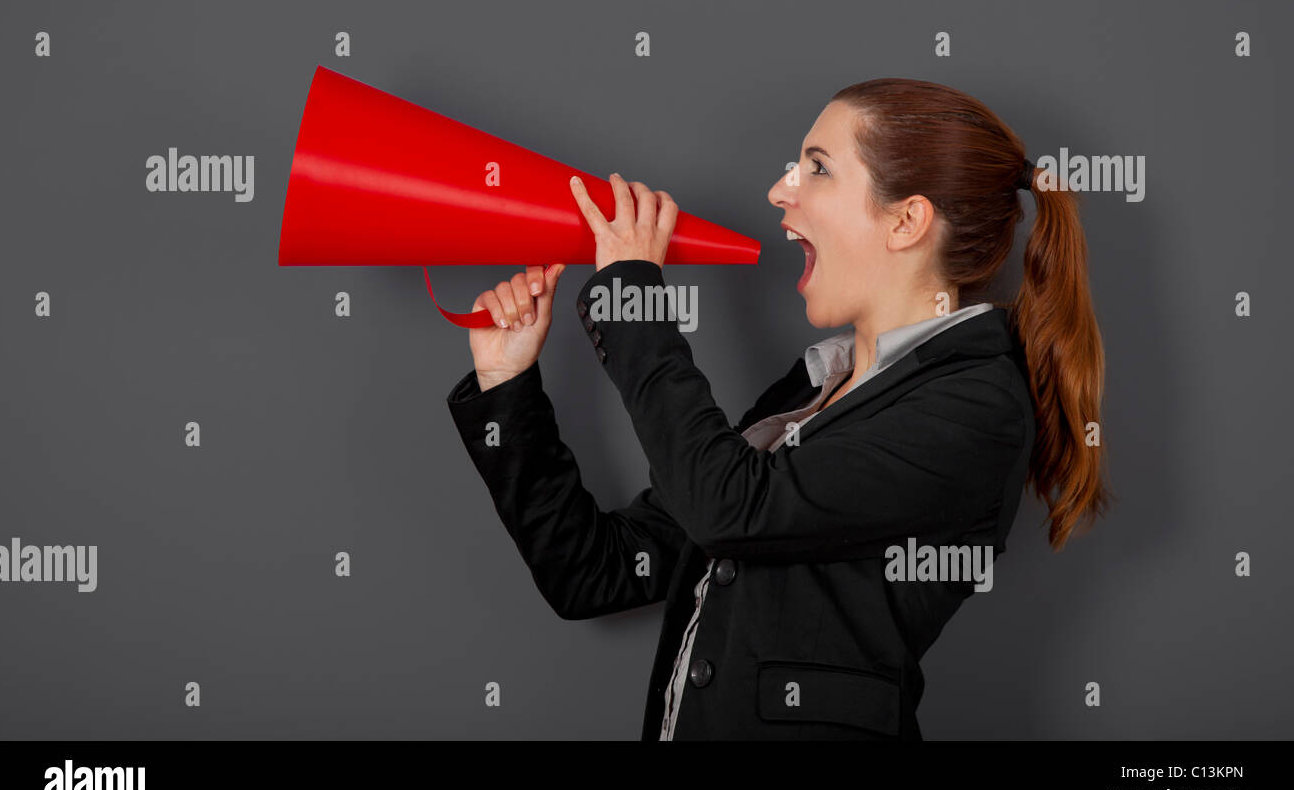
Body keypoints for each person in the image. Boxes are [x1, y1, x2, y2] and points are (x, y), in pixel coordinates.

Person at [445, 77, 1111, 739]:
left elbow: (728, 508)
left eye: (817, 168)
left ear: (906, 220)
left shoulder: (974, 404)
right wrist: (507, 385)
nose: (780, 190)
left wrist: (634, 301)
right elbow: (596, 573)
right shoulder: (815, 389)